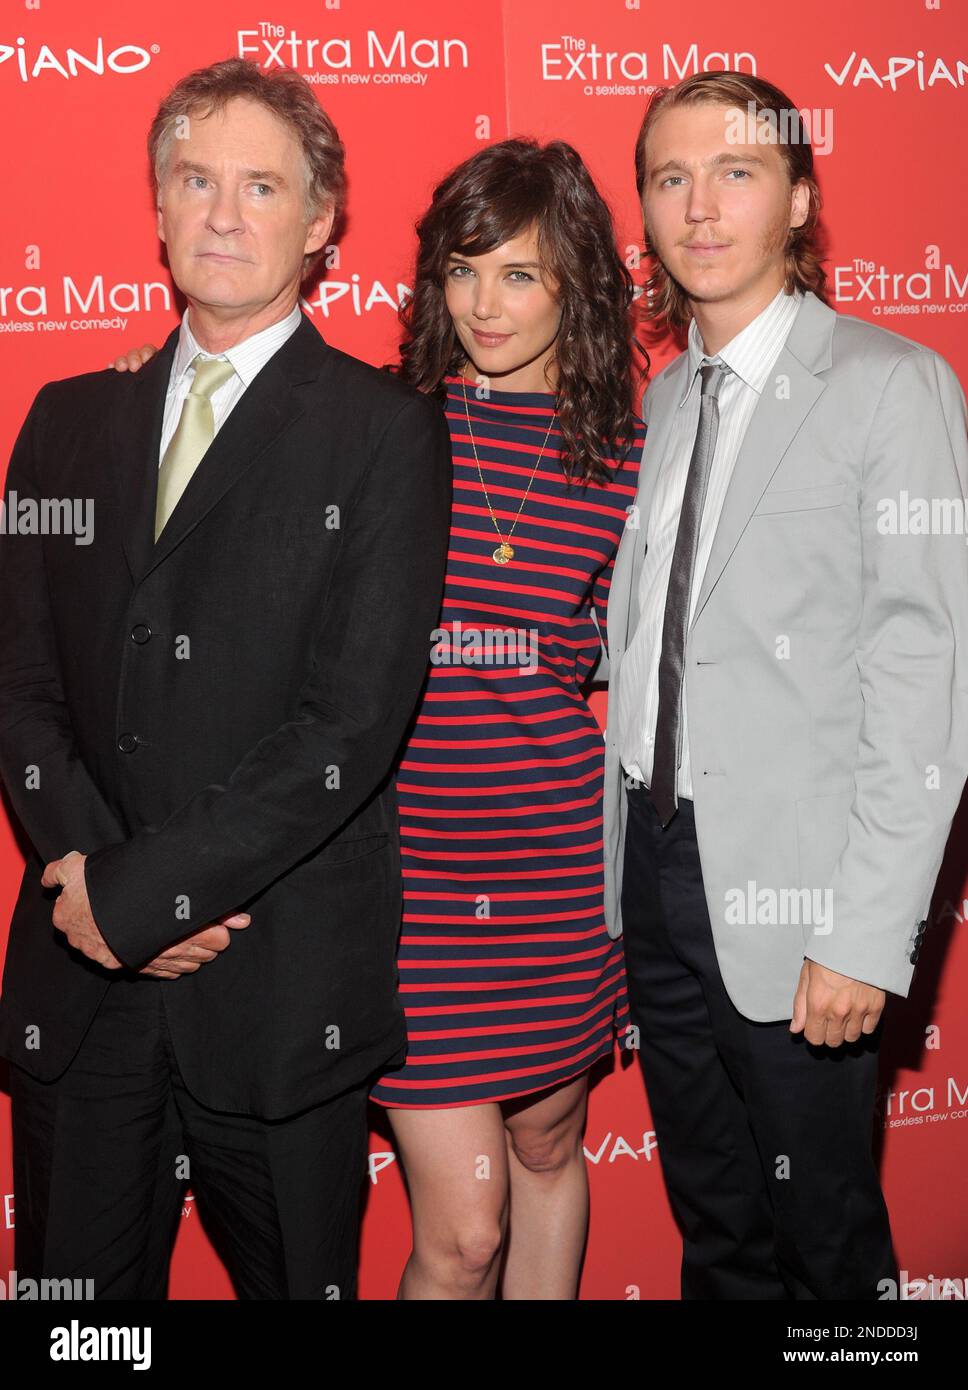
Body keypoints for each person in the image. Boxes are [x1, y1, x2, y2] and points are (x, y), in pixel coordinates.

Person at [116, 135, 647, 1299]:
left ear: (576, 281)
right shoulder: (380, 430)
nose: (483, 303)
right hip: (406, 881)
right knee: (462, 1233)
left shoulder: (626, 462)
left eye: (517, 273)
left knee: (550, 1146)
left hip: (554, 866)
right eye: (461, 271)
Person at [0, 57, 451, 1300]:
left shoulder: (385, 430)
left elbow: (351, 723)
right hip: (80, 979)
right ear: (156, 206)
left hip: (278, 989)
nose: (222, 213)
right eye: (195, 180)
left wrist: (151, 899)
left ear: (319, 227)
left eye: (263, 187)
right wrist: (97, 893)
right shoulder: (63, 421)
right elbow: (19, 682)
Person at [599, 70, 968, 1299]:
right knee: (719, 1235)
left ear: (798, 199)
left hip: (801, 897)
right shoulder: (659, 399)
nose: (698, 207)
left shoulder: (887, 384)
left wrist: (865, 933)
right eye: (668, 178)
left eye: (736, 172)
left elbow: (929, 680)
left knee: (829, 1254)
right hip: (653, 875)